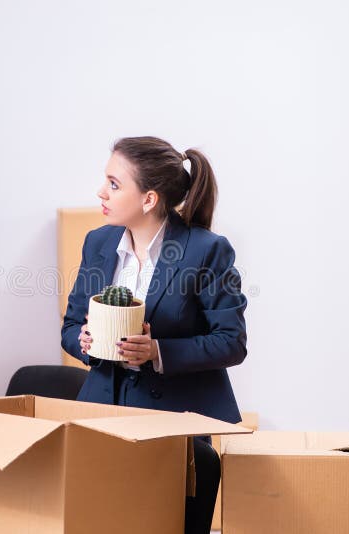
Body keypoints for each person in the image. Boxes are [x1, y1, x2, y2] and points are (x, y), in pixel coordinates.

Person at [61, 136, 247, 534]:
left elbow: (231, 340)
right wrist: (86, 343)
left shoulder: (207, 250)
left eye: (114, 183)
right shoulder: (99, 243)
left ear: (148, 199)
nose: (101, 192)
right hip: (102, 418)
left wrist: (157, 351)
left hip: (174, 426)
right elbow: (71, 325)